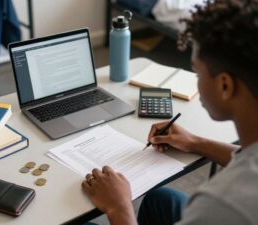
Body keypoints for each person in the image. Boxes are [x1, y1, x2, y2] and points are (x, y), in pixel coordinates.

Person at [81, 0, 258, 224]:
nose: (196, 81)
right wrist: (194, 142)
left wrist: (119, 208)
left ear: (225, 85)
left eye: (197, 72)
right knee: (161, 198)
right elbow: (246, 156)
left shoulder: (221, 203)